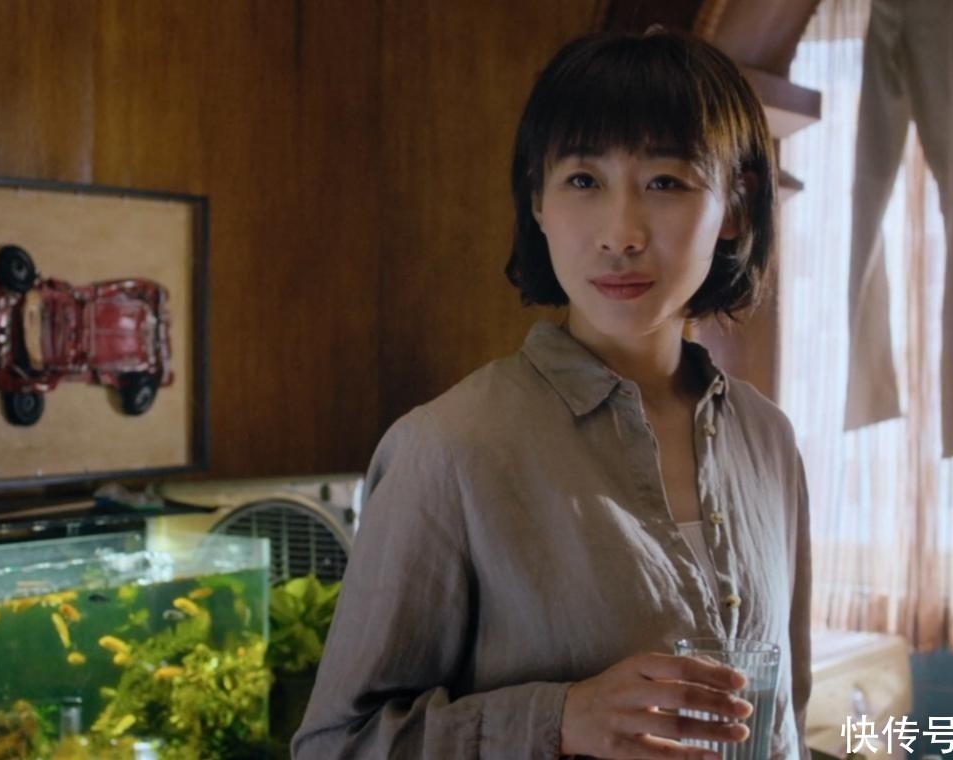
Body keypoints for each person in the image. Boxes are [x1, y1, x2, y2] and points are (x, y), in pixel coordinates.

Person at [292, 27, 811, 760]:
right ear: (537, 199)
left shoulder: (768, 439)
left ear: (736, 205)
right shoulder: (449, 449)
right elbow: (335, 745)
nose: (620, 234)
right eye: (583, 181)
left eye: (666, 182)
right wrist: (558, 719)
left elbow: (786, 715)